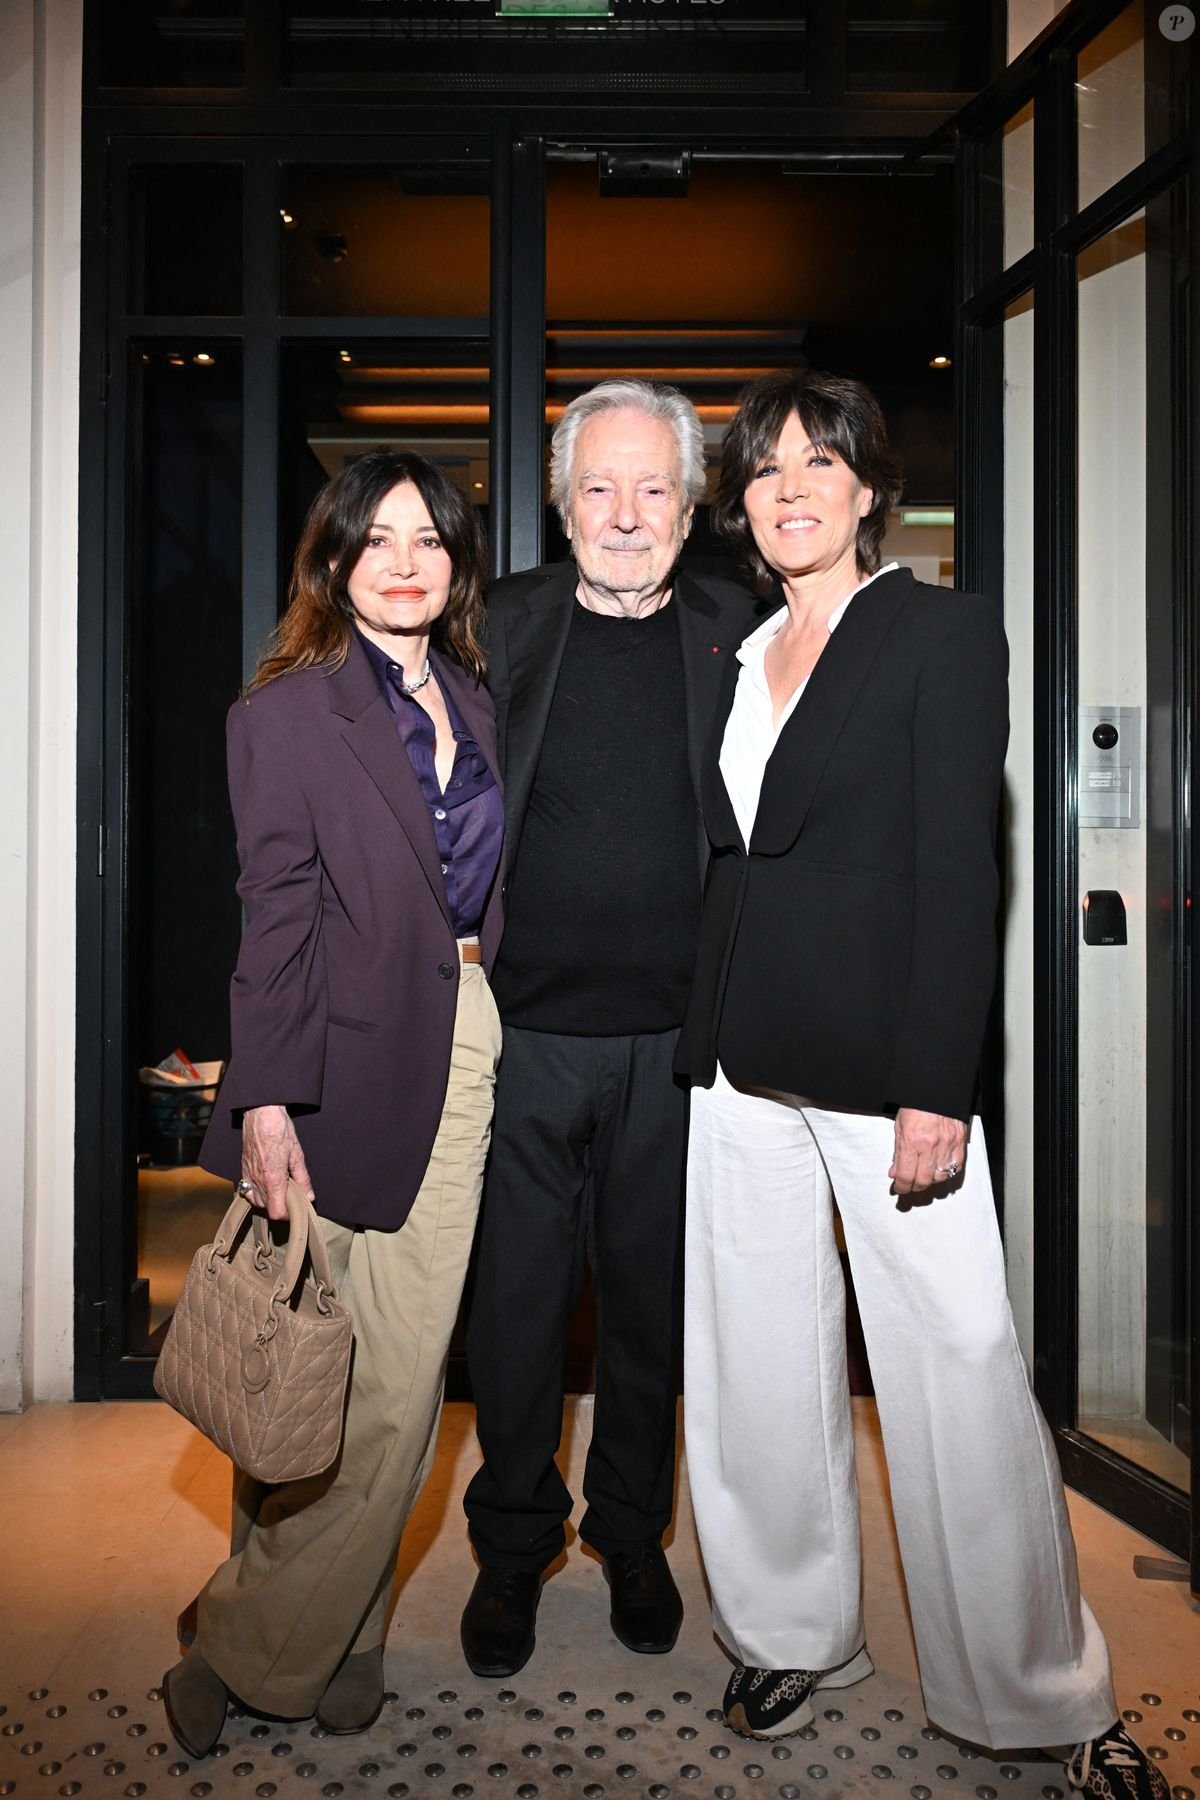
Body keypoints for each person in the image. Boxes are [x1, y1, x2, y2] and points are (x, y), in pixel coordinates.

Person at [674, 370, 1166, 1799]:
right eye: (763, 471)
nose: (787, 488)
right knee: (756, 1359)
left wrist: (938, 1084)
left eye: (818, 464)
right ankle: (786, 1632)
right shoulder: (741, 642)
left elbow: (965, 871)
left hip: (892, 1070)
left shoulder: (942, 634)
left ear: (870, 489)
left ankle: (1041, 1690)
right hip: (736, 1063)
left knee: (955, 1360)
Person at [162, 450, 505, 1760]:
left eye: (431, 538)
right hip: (326, 1055)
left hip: (461, 1042)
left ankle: (273, 1639)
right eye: (381, 538)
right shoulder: (285, 718)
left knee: (399, 1377)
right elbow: (278, 920)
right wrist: (264, 1100)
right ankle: (323, 1634)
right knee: (299, 1357)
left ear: (455, 562)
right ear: (337, 559)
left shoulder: (480, 701)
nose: (409, 560)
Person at [459, 379, 760, 1677]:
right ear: (561, 503)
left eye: (652, 488)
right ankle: (515, 1545)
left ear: (691, 508)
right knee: (515, 1314)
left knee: (650, 1310)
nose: (625, 514)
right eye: (599, 487)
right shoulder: (502, 623)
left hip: (678, 1047)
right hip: (522, 1036)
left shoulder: (737, 629)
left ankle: (632, 1531)